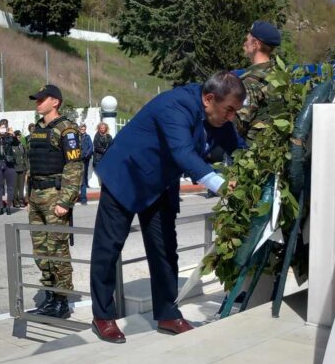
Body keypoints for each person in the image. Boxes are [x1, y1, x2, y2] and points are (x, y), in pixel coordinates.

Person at [89, 71, 246, 343]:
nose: (231, 116)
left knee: (164, 250)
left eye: (235, 112)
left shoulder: (217, 113)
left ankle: (167, 314)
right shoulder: (175, 105)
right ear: (209, 99)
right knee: (108, 248)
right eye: (229, 110)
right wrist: (221, 186)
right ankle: (103, 316)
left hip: (160, 184)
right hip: (126, 176)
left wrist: (254, 168)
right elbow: (182, 153)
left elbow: (237, 146)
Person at [26, 85, 83, 319]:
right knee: (40, 251)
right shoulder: (38, 129)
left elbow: (74, 166)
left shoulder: (66, 129)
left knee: (57, 250)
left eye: (42, 99)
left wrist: (65, 201)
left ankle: (62, 299)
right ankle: (49, 295)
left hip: (55, 196)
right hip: (37, 197)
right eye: (36, 99)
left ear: (55, 102)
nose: (37, 102)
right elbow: (34, 164)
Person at [235, 20, 282, 144]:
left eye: (247, 40)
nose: (244, 44)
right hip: (274, 149)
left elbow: (238, 126)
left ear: (255, 44)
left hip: (253, 152)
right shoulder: (281, 77)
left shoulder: (250, 82)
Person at [0, 119, 18, 216]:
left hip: (9, 163)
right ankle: (0, 207)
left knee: (10, 187)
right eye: (1, 126)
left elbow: (16, 143)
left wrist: (12, 134)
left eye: (5, 126)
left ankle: (8, 207)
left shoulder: (9, 137)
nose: (3, 128)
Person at [78, 123, 94, 205]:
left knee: (83, 180)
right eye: (81, 129)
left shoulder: (88, 137)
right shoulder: (76, 137)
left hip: (85, 160)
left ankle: (83, 199)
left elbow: (91, 147)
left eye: (84, 129)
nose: (83, 130)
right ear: (79, 129)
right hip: (77, 161)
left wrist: (86, 154)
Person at [92, 122, 112, 187]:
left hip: (107, 157)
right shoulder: (97, 136)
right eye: (101, 128)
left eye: (103, 128)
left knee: (107, 173)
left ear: (106, 128)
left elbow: (111, 145)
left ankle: (106, 186)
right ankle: (103, 186)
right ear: (99, 128)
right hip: (98, 158)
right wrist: (105, 150)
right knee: (101, 173)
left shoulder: (109, 136)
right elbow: (97, 146)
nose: (102, 129)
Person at [12, 130, 28, 208]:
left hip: (22, 168)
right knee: (15, 186)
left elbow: (25, 157)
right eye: (17, 137)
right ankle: (15, 200)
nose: (18, 138)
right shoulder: (11, 146)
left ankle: (21, 200)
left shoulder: (22, 145)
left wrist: (27, 168)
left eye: (19, 137)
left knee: (21, 186)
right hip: (14, 168)